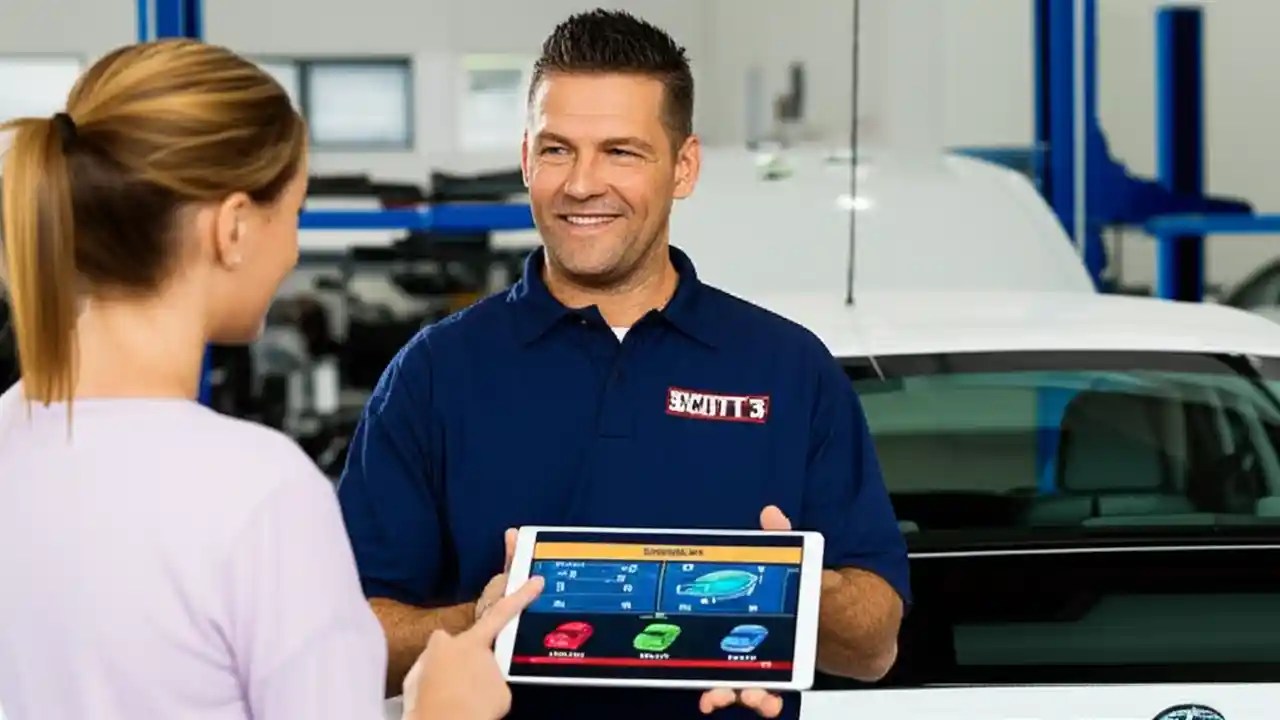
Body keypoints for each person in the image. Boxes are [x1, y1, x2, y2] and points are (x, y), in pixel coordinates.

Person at [337, 8, 910, 720]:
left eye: (621, 152)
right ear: (525, 158)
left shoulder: (788, 369)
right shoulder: (435, 375)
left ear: (684, 166)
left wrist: (794, 589)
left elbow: (876, 646)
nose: (581, 183)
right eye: (556, 150)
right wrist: (475, 621)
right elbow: (344, 640)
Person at [0, 38, 541, 720]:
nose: (291, 246)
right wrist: (441, 710)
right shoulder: (257, 493)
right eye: (295, 211)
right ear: (231, 228)